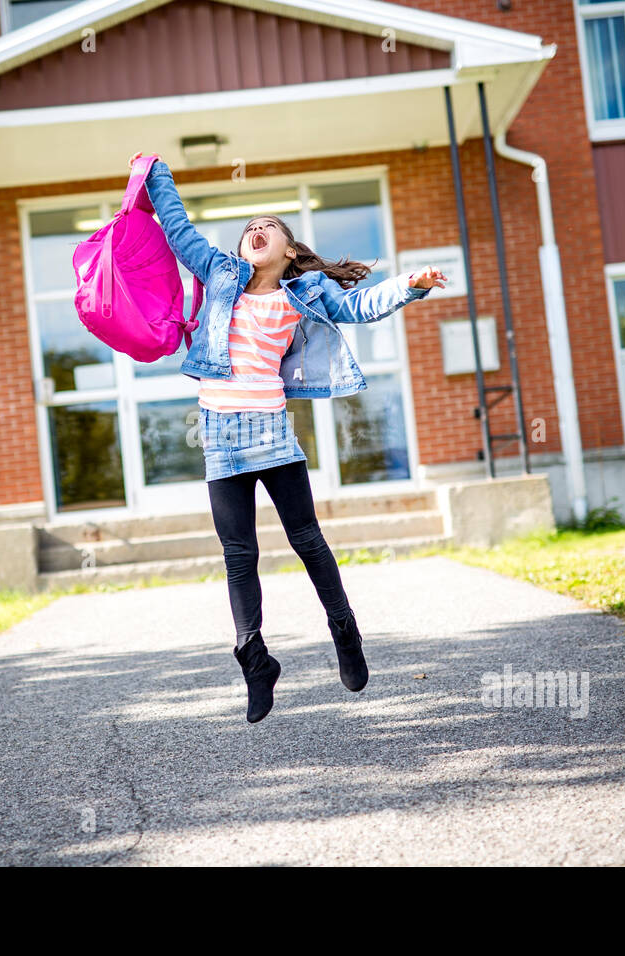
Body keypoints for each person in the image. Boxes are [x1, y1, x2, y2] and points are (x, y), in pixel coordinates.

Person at [131, 151, 446, 723]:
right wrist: (157, 175)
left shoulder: (306, 292)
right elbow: (177, 228)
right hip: (221, 437)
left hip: (273, 434)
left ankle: (345, 633)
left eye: (268, 226)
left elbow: (360, 305)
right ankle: (255, 661)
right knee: (238, 557)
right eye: (249, 227)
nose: (256, 230)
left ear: (290, 251)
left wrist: (411, 285)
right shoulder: (218, 272)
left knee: (308, 541)